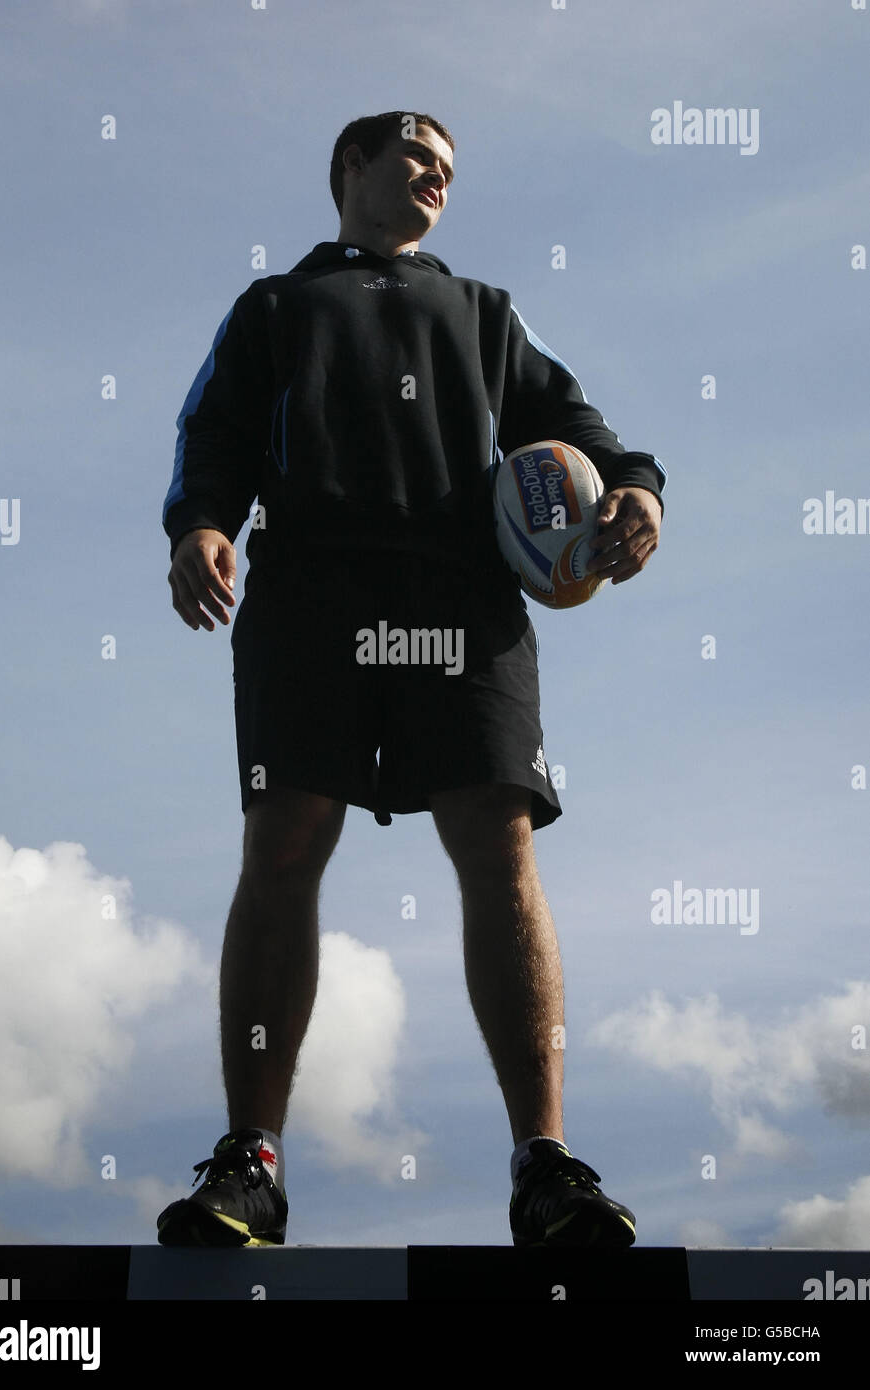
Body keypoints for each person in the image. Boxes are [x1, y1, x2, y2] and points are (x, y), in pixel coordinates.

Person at [157, 111, 665, 1251]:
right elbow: (214, 432)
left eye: (448, 168)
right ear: (351, 170)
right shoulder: (278, 306)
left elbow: (577, 423)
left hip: (463, 602)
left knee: (500, 841)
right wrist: (198, 525)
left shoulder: (481, 310)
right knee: (284, 839)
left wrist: (636, 489)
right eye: (415, 158)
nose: (436, 177)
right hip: (309, 596)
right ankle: (253, 1163)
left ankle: (546, 1167)